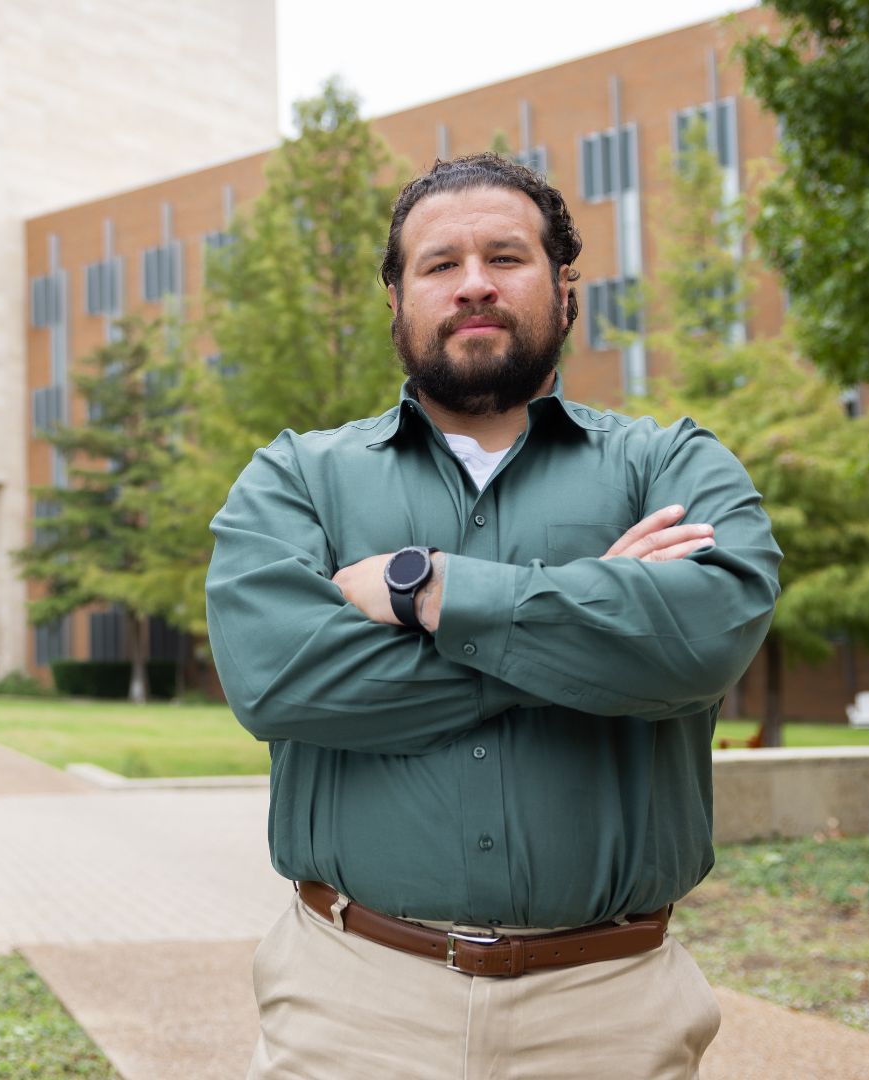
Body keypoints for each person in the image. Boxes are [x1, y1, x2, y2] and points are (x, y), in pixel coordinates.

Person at [205, 153, 781, 1080]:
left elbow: (702, 639)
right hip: (351, 1001)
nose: (474, 284)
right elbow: (278, 678)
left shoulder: (672, 466)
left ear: (564, 287)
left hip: (612, 1011)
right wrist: (597, 629)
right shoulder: (296, 478)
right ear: (395, 298)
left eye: (506, 257)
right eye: (440, 265)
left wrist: (426, 588)